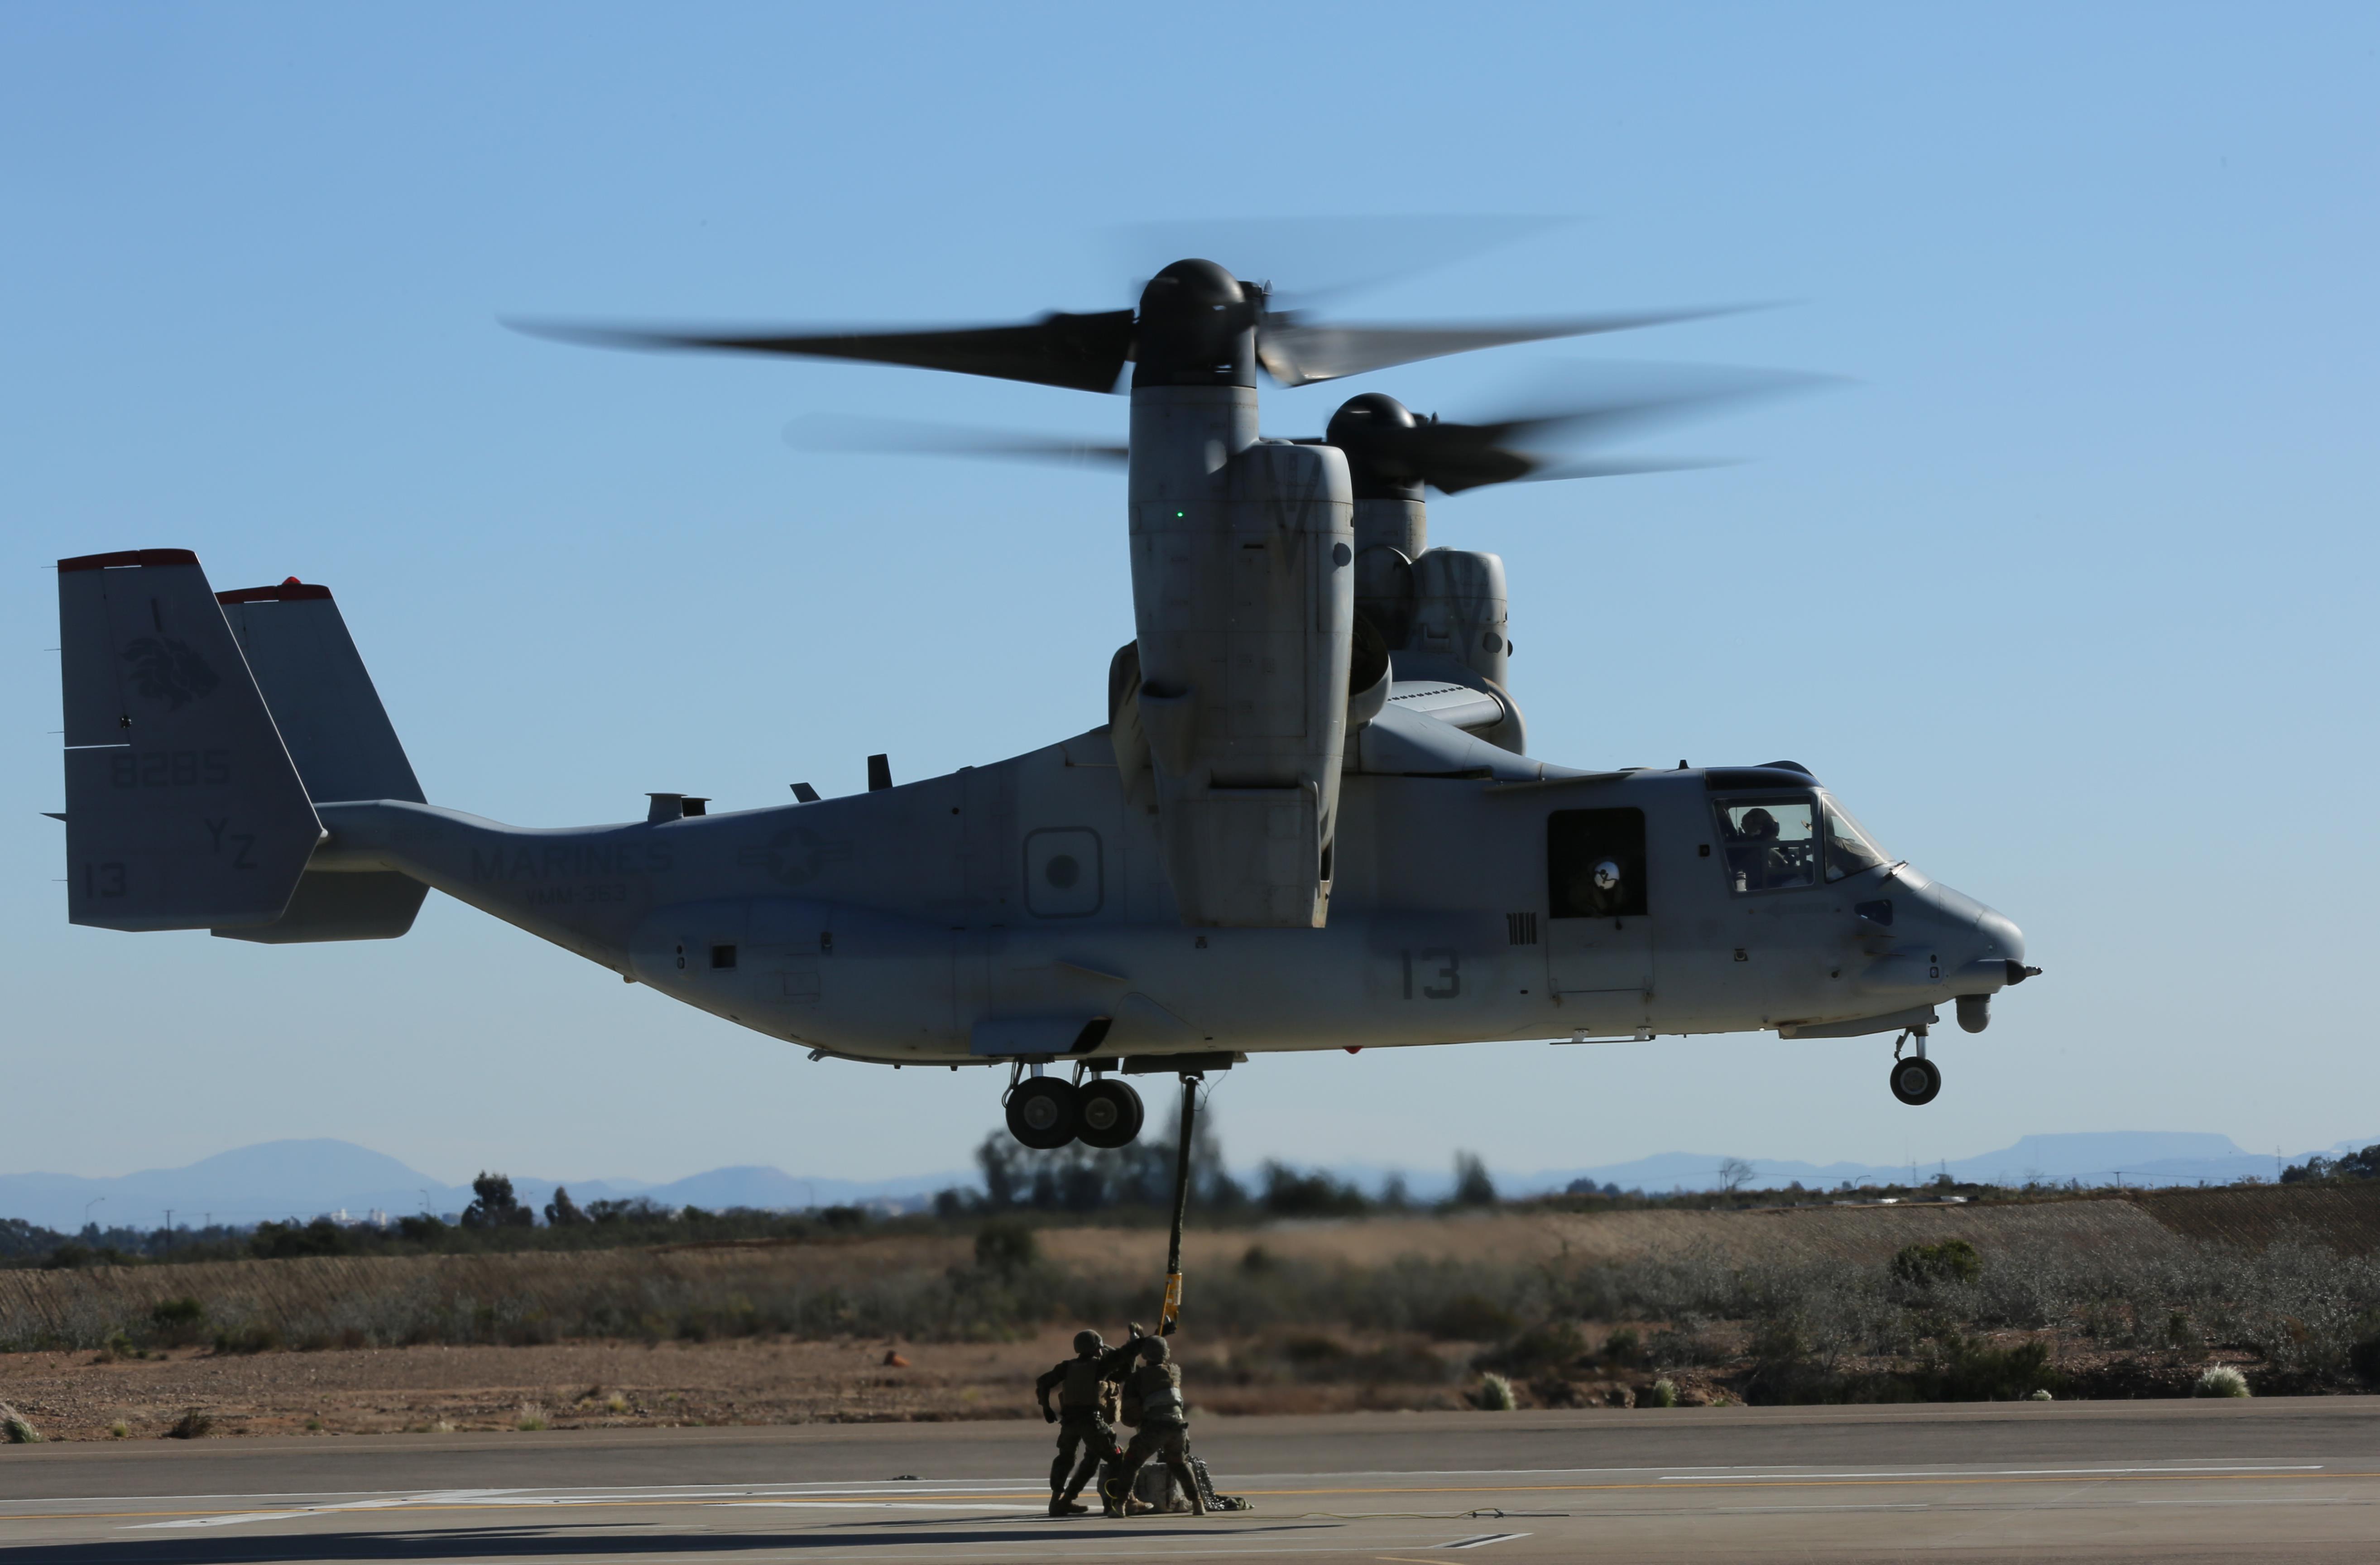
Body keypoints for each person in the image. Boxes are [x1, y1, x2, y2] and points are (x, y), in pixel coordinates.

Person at [1034, 1326, 1140, 1517]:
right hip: (1092, 1422)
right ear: (1097, 1349)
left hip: (1069, 1423)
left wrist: (1046, 1408)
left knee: (1067, 1460)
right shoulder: (1100, 1367)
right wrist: (1135, 1343)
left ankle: (1058, 1502)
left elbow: (1043, 1382)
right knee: (1118, 1459)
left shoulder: (1067, 1367)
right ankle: (1124, 1501)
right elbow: (1125, 1363)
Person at [1105, 1335, 1205, 1517]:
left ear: (1145, 1355)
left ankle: (1120, 1505)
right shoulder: (1175, 1371)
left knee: (1132, 1461)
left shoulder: (1137, 1378)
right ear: (1166, 1354)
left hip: (1155, 1428)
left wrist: (1132, 1355)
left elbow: (1130, 1415)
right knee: (1180, 1464)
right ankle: (1198, 1503)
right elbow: (1155, 1375)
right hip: (1179, 1427)